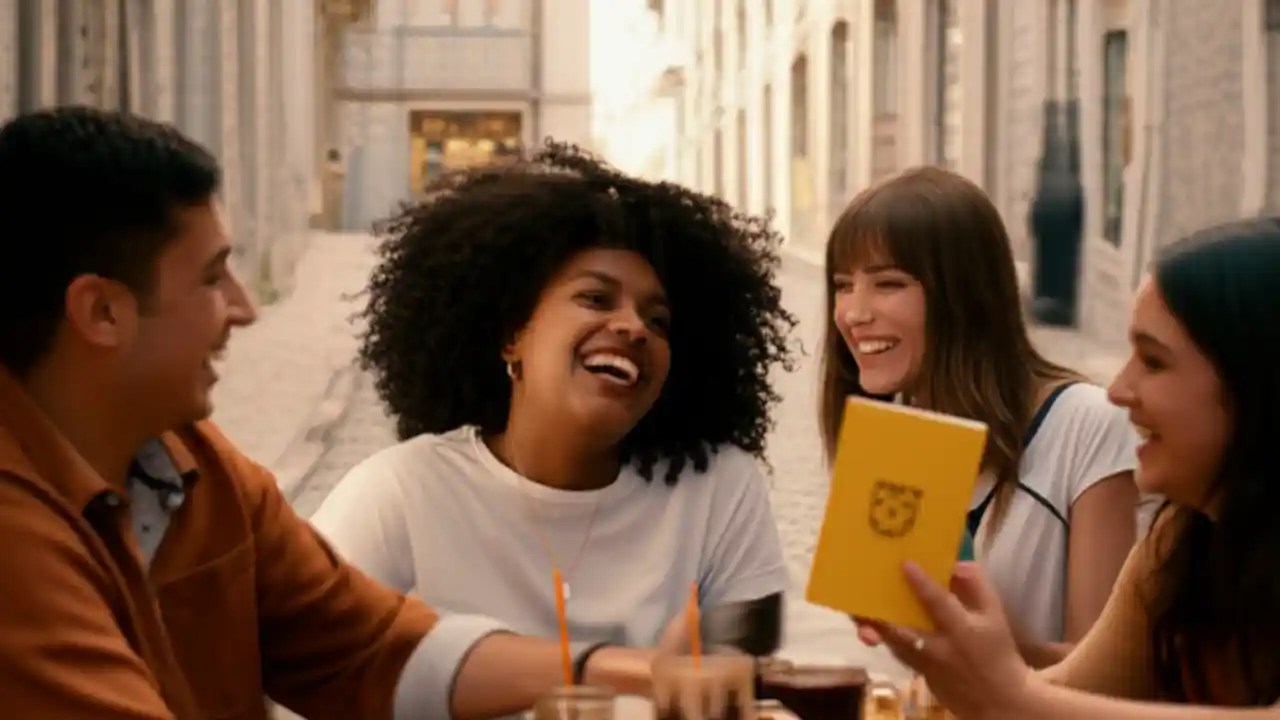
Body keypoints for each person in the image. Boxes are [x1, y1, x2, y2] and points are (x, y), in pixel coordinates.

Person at [0, 106, 676, 720]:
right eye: (211, 278)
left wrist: (615, 671)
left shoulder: (197, 465)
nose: (245, 307)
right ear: (102, 312)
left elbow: (368, 646)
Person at [310, 142, 794, 658]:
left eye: (658, 321)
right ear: (512, 336)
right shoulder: (402, 493)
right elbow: (305, 662)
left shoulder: (717, 491)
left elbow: (746, 675)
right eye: (595, 298)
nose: (634, 327)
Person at [858, 218, 1280, 717]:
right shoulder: (1180, 542)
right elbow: (1072, 697)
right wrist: (961, 655)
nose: (1119, 389)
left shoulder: (1081, 425)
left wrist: (1009, 688)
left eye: (1154, 361)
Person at [819, 167, 1141, 666]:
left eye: (887, 283)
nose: (853, 314)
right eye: (843, 286)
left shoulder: (1088, 425)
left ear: (964, 294)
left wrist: (976, 643)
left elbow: (1109, 670)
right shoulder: (892, 431)